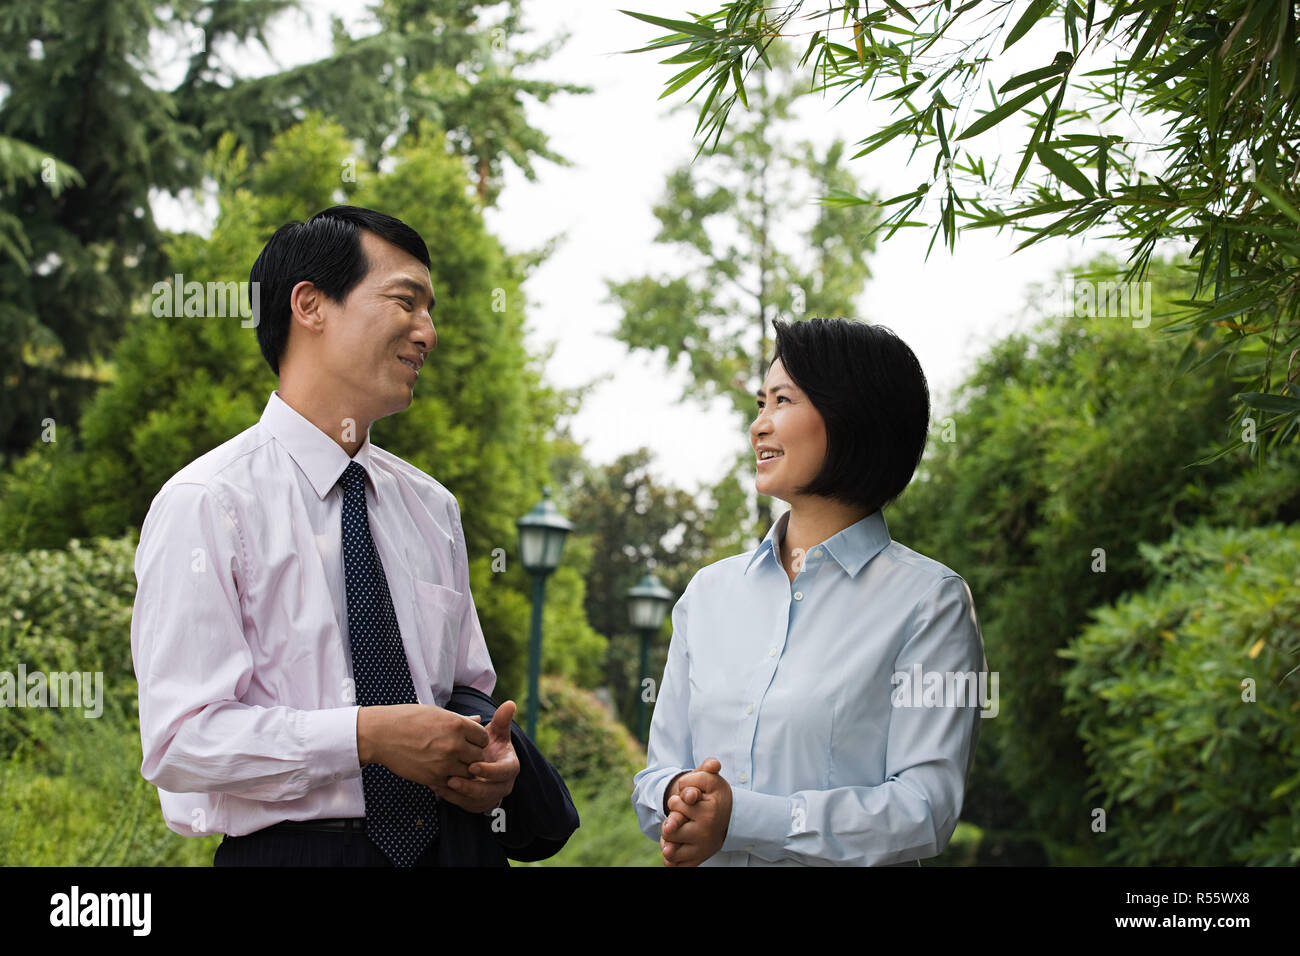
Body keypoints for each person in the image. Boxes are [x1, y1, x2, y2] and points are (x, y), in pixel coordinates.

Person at [130, 205, 575, 866]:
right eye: (406, 301)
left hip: (455, 851)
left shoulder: (431, 507)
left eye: (430, 310)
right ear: (310, 305)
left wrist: (493, 764)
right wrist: (364, 736)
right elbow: (180, 742)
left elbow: (468, 692)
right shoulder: (207, 503)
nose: (428, 331)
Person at [631, 317, 988, 867]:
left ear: (850, 415)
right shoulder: (709, 595)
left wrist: (742, 818)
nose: (759, 426)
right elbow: (654, 780)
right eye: (759, 404)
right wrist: (679, 795)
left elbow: (926, 809)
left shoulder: (930, 603)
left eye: (782, 401)